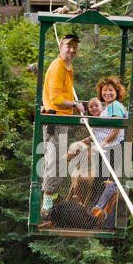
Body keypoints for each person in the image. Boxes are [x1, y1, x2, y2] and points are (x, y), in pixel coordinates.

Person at [40, 34, 84, 222]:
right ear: (61, 46)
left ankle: (52, 202)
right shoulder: (57, 67)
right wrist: (75, 105)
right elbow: (57, 99)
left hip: (63, 121)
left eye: (75, 47)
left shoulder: (67, 66)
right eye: (69, 46)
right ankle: (46, 204)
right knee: (53, 162)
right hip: (55, 121)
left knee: (59, 163)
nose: (72, 50)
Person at [89, 77, 128, 221]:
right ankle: (96, 213)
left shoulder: (115, 106)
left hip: (112, 149)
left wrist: (103, 143)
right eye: (104, 90)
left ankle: (99, 215)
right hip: (106, 149)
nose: (108, 93)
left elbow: (116, 128)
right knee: (99, 182)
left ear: (117, 92)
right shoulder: (107, 107)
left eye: (111, 90)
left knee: (103, 183)